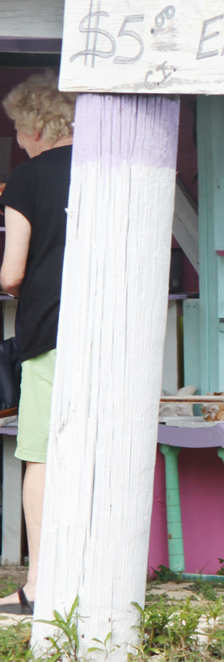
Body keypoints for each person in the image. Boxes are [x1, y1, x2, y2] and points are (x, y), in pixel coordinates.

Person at [0, 71, 75, 616]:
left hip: (48, 328)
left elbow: (11, 273)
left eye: (18, 129)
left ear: (37, 125)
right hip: (109, 331)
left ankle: (40, 586)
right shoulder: (108, 169)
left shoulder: (27, 179)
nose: (17, 140)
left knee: (41, 457)